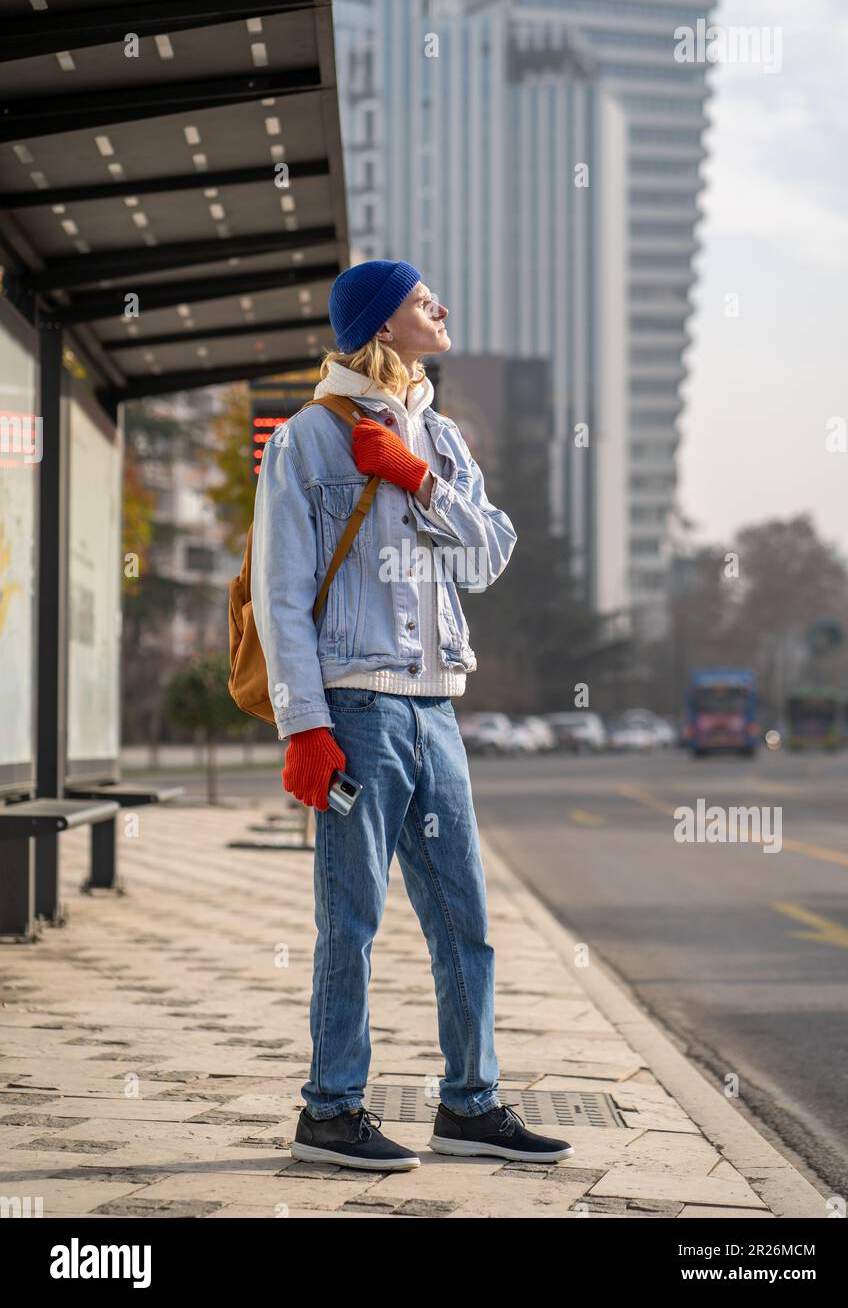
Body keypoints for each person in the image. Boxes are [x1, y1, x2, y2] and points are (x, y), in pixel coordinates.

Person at [251, 259, 574, 1171]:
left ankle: (470, 1106)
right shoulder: (307, 439)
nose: (440, 304)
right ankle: (330, 1109)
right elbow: (281, 596)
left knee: (466, 920)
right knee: (351, 920)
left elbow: (488, 558)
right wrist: (302, 723)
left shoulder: (445, 435)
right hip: (356, 709)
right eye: (420, 296)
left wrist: (418, 477)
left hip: (437, 710)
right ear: (379, 326)